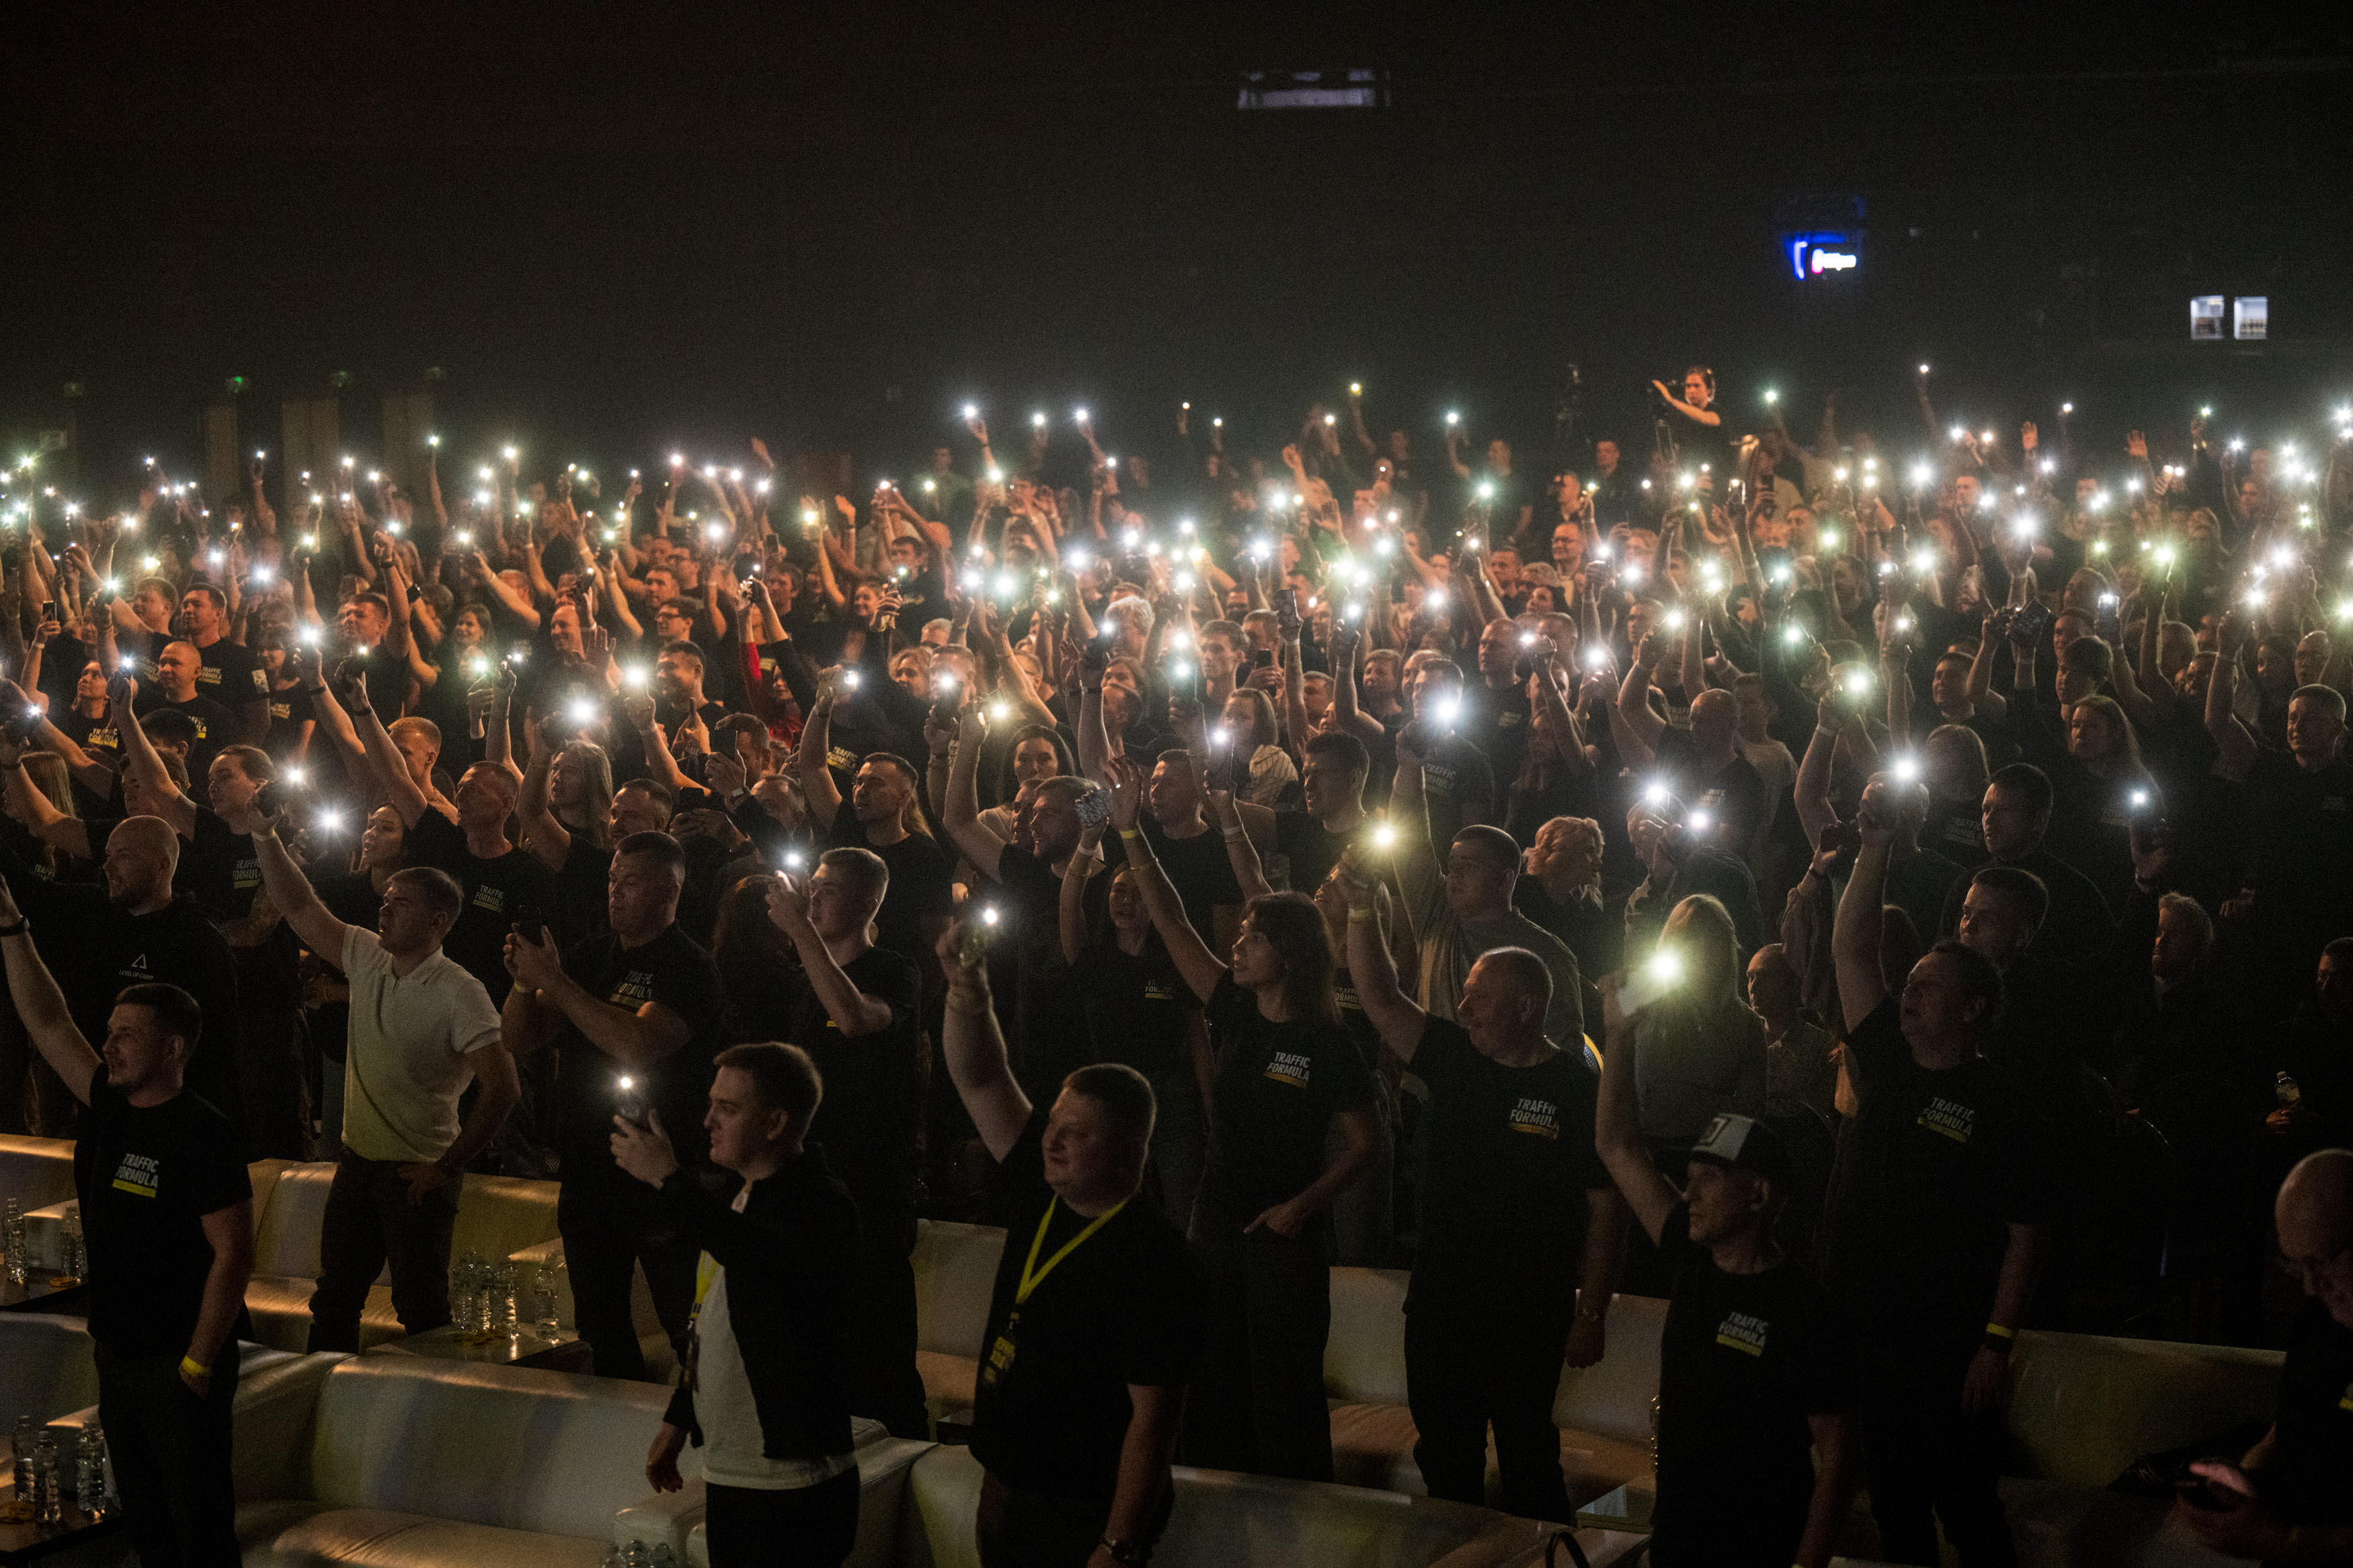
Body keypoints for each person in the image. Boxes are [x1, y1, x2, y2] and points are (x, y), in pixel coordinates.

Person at [1103, 753, 1378, 1483]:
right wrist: (1131, 832)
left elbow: (1365, 1142)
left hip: (1285, 1234)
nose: (1237, 944)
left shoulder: (1327, 1039)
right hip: (1217, 1218)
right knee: (1212, 1371)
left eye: (1253, 937)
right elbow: (1168, 913)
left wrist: (1300, 1207)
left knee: (1283, 1390)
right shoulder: (1232, 1008)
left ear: (1286, 952)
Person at [1337, 863, 1628, 1523]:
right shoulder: (1453, 1057)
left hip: (1528, 1310)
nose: (1463, 1009)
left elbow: (1607, 1207)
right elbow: (1381, 999)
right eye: (1464, 995)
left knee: (1528, 1462)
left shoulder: (1576, 1087)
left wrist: (1592, 1313)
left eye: (1479, 997)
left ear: (1525, 1006)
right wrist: (1361, 911)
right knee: (1446, 1461)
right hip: (1441, 1303)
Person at [934, 918, 1207, 1568]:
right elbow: (981, 1078)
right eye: (1053, 1122)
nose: (1050, 1140)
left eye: (1075, 1132)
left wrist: (1118, 1542)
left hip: (1080, 1506)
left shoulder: (1155, 1257)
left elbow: (1154, 1420)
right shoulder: (1043, 1182)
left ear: (1128, 1149)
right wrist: (968, 992)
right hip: (1006, 1482)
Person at [0, 877, 254, 1568]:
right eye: (109, 1034)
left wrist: (198, 1364)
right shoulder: (107, 1105)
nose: (108, 1047)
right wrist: (11, 928)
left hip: (181, 1358)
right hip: (117, 1350)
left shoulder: (202, 1132)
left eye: (127, 1037)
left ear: (173, 1049)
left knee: (198, 1527)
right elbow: (49, 1019)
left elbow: (232, 1254)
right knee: (146, 1524)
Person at [1831, 802, 2057, 1568]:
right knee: (1894, 1508)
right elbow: (1851, 950)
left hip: (1953, 1343)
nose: (1909, 996)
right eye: (1911, 983)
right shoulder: (1888, 1065)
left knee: (1965, 1507)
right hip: (1877, 1332)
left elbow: (2027, 1232)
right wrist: (1872, 849)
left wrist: (1995, 1343)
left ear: (1971, 1008)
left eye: (1926, 987)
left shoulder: (2003, 1105)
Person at [1591, 982, 1862, 1568]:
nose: (1688, 1193)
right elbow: (1618, 1145)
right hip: (1678, 1543)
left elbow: (1840, 1459)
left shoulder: (1807, 1310)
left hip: (1760, 1549)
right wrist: (1619, 1034)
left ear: (1760, 1194)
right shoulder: (1691, 1260)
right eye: (1689, 1177)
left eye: (1709, 1179)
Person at [237, 805, 519, 1352]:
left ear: (439, 922)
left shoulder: (461, 991)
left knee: (421, 1308)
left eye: (401, 905)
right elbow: (297, 903)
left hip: (416, 1175)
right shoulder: (366, 954)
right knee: (335, 1297)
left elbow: (503, 1086)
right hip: (356, 1162)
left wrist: (446, 1168)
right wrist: (264, 834)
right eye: (385, 902)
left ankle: (425, 1416)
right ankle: (320, 1398)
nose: (384, 913)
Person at [618, 1044, 864, 1568]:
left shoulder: (820, 1203)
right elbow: (712, 1315)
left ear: (776, 1122)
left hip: (795, 1481)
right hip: (734, 1469)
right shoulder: (743, 1194)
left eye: (727, 1108)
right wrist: (680, 1416)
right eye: (711, 1104)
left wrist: (669, 1179)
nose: (707, 1120)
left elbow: (758, 1258)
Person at [502, 831, 723, 1382]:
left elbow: (637, 1044)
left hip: (657, 1172)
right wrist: (525, 985)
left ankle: (706, 1426)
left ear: (668, 890)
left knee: (685, 1322)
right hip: (586, 1166)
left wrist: (554, 979)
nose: (615, 893)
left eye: (630, 882)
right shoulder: (591, 955)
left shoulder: (689, 966)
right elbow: (520, 1039)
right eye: (611, 881)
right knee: (600, 1324)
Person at [764, 850, 930, 1439]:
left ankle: (906, 1457)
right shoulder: (802, 977)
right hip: (811, 1179)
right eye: (811, 886)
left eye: (827, 889)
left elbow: (856, 1018)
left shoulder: (894, 968)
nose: (813, 898)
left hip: (871, 1185)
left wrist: (802, 934)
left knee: (878, 1348)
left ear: (868, 903)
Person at [2171, 1149, 2353, 1561]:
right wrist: (2240, 1481)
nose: (2310, 1286)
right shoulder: (2321, 1319)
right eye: (2296, 1267)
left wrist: (2288, 1540)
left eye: (2320, 1262)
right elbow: (2286, 1429)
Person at [1392, 727, 1587, 1046]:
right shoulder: (1437, 916)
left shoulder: (1545, 953)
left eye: (1468, 868)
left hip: (1501, 1091)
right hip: (1433, 1083)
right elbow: (1410, 843)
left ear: (1505, 880)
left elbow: (1564, 1052)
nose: (1453, 877)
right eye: (1451, 867)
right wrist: (1410, 768)